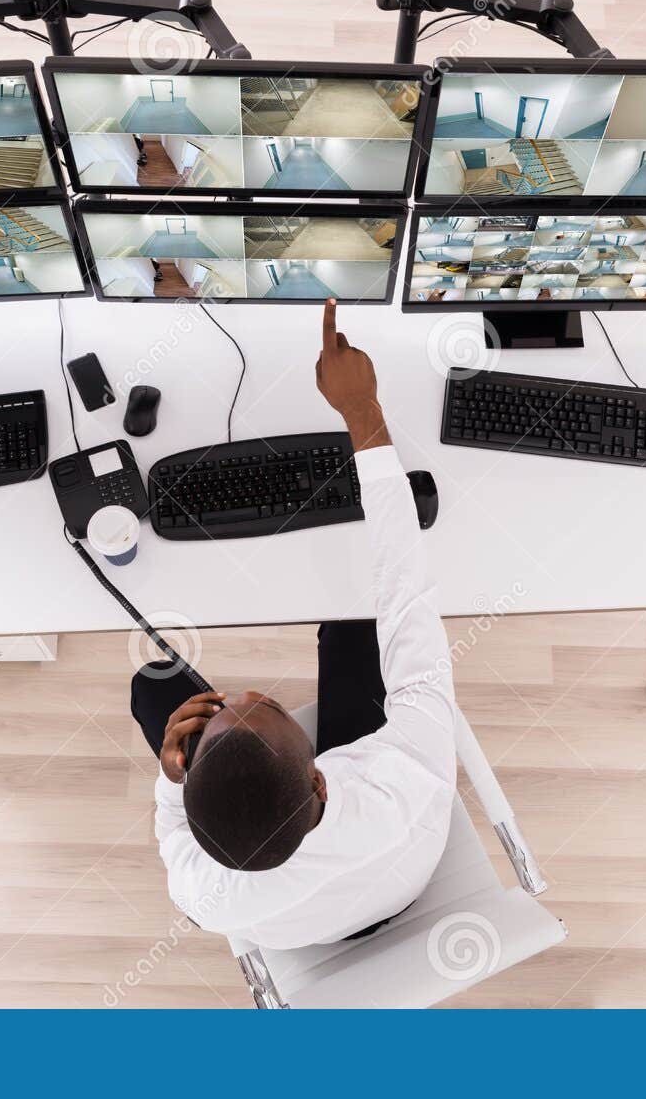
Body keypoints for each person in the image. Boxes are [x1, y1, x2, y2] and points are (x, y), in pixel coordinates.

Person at [128, 299, 460, 950]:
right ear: (319, 774)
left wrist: (170, 784)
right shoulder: (408, 775)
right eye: (269, 705)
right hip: (401, 881)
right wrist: (360, 407)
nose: (244, 693)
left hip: (306, 923)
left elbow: (173, 832)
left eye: (226, 709)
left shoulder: (199, 894)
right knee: (356, 618)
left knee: (152, 685)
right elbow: (406, 591)